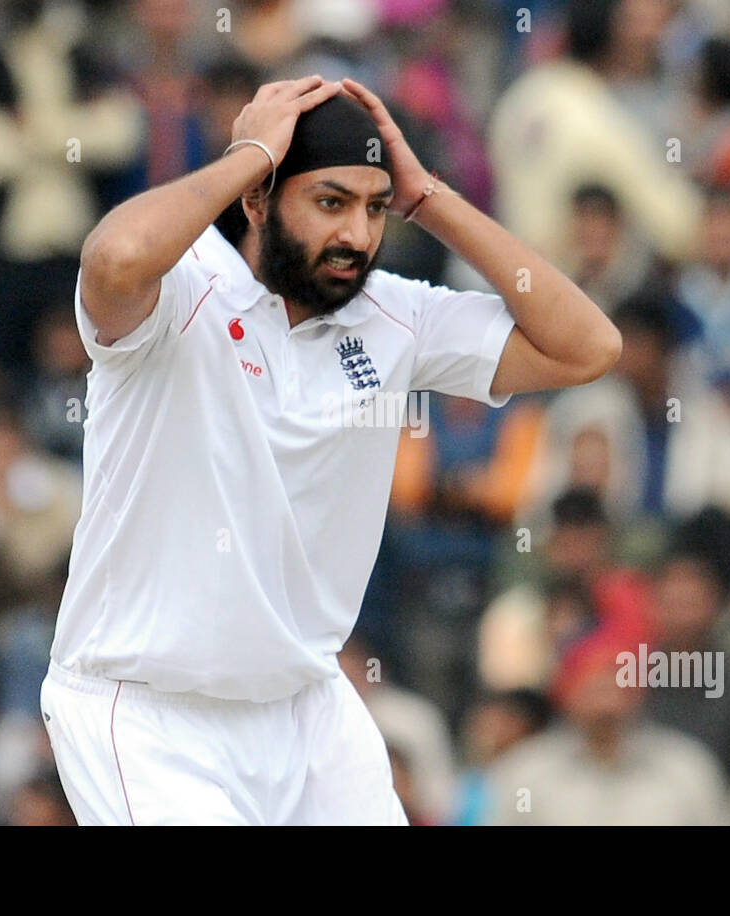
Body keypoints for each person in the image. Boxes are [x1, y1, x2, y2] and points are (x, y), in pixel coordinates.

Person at [39, 75, 622, 825]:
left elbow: (588, 346)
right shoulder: (178, 293)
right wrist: (249, 151)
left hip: (305, 706)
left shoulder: (394, 314)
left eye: (374, 208)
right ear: (257, 198)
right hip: (145, 713)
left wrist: (428, 198)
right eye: (330, 202)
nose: (357, 235)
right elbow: (114, 258)